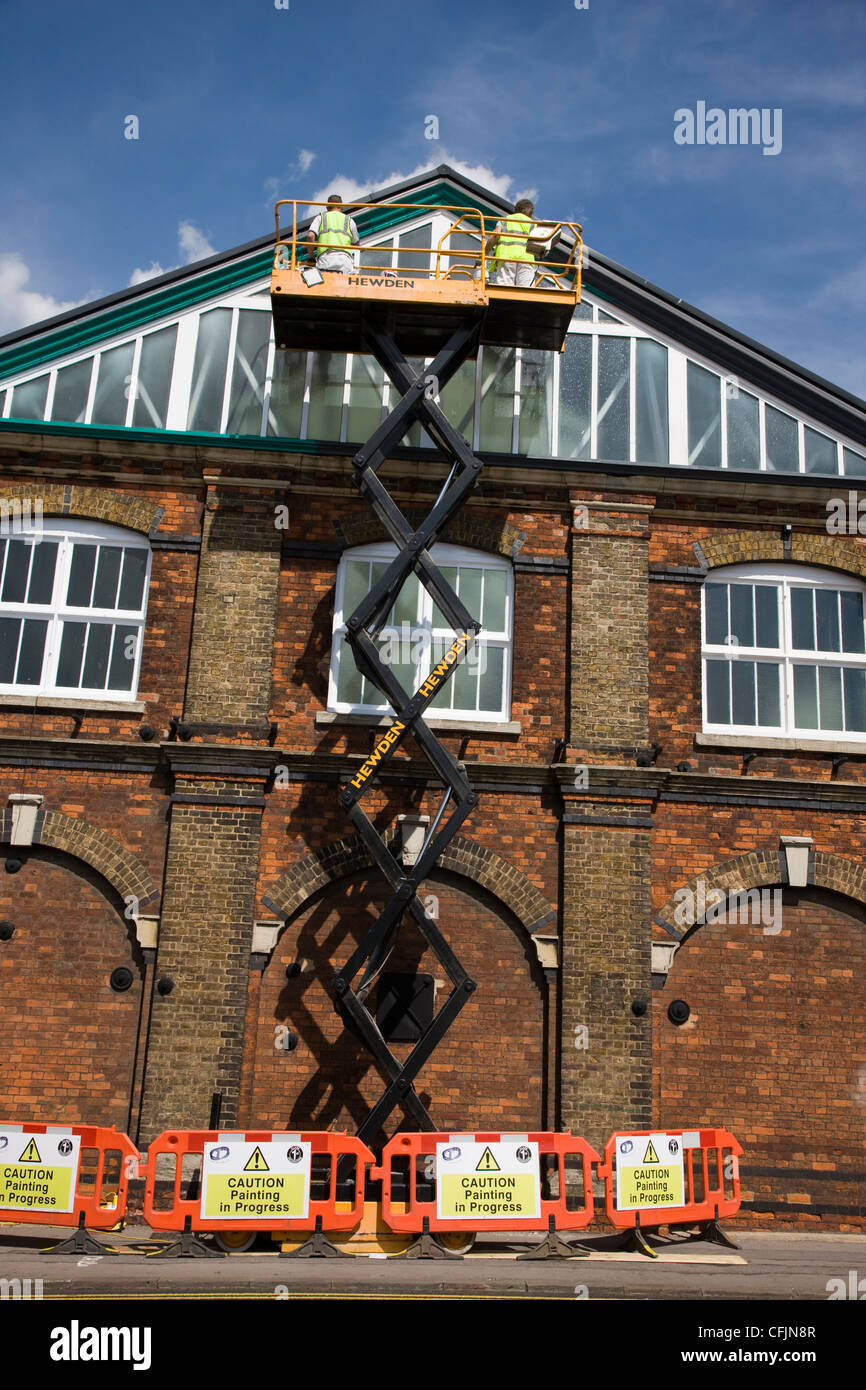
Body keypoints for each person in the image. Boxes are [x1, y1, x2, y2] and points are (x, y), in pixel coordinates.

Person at [485, 200, 547, 287]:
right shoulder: (533, 224)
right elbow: (541, 246)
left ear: (516, 209)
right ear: (531, 212)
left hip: (506, 258)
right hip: (526, 260)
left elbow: (495, 235)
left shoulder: (505, 220)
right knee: (526, 293)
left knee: (505, 290)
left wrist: (485, 253)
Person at [304, 194, 360, 274]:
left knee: (325, 285)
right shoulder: (349, 220)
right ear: (342, 206)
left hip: (326, 259)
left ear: (327, 207)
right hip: (345, 260)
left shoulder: (321, 217)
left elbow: (310, 236)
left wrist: (311, 257)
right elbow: (357, 245)